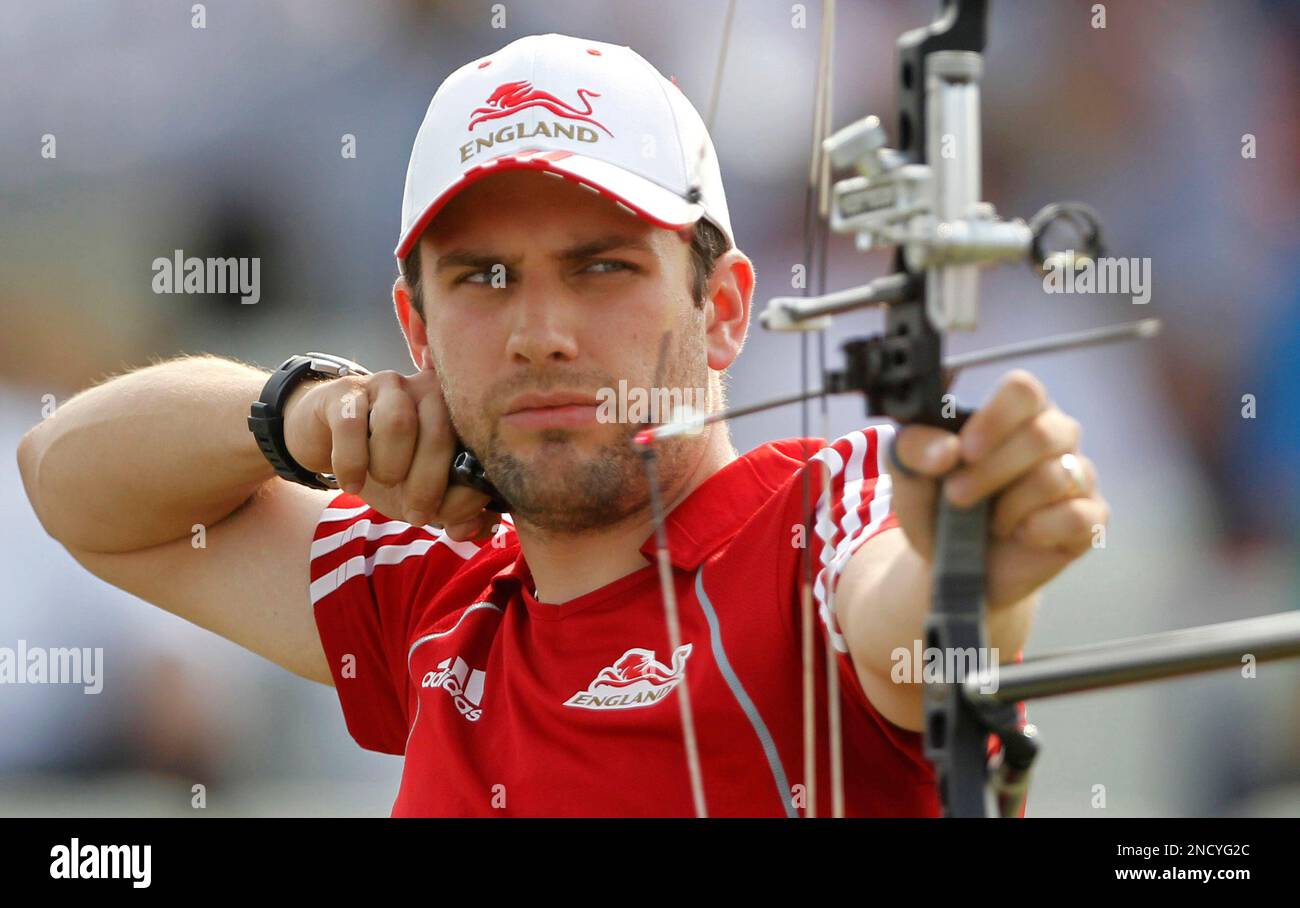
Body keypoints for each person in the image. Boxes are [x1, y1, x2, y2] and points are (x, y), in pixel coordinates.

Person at [16, 34, 1106, 817]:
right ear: (418, 327)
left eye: (602, 267)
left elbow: (900, 617)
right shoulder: (437, 579)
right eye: (485, 277)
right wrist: (308, 409)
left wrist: (973, 560)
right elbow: (71, 482)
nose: (540, 332)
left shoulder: (826, 510)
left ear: (720, 308)